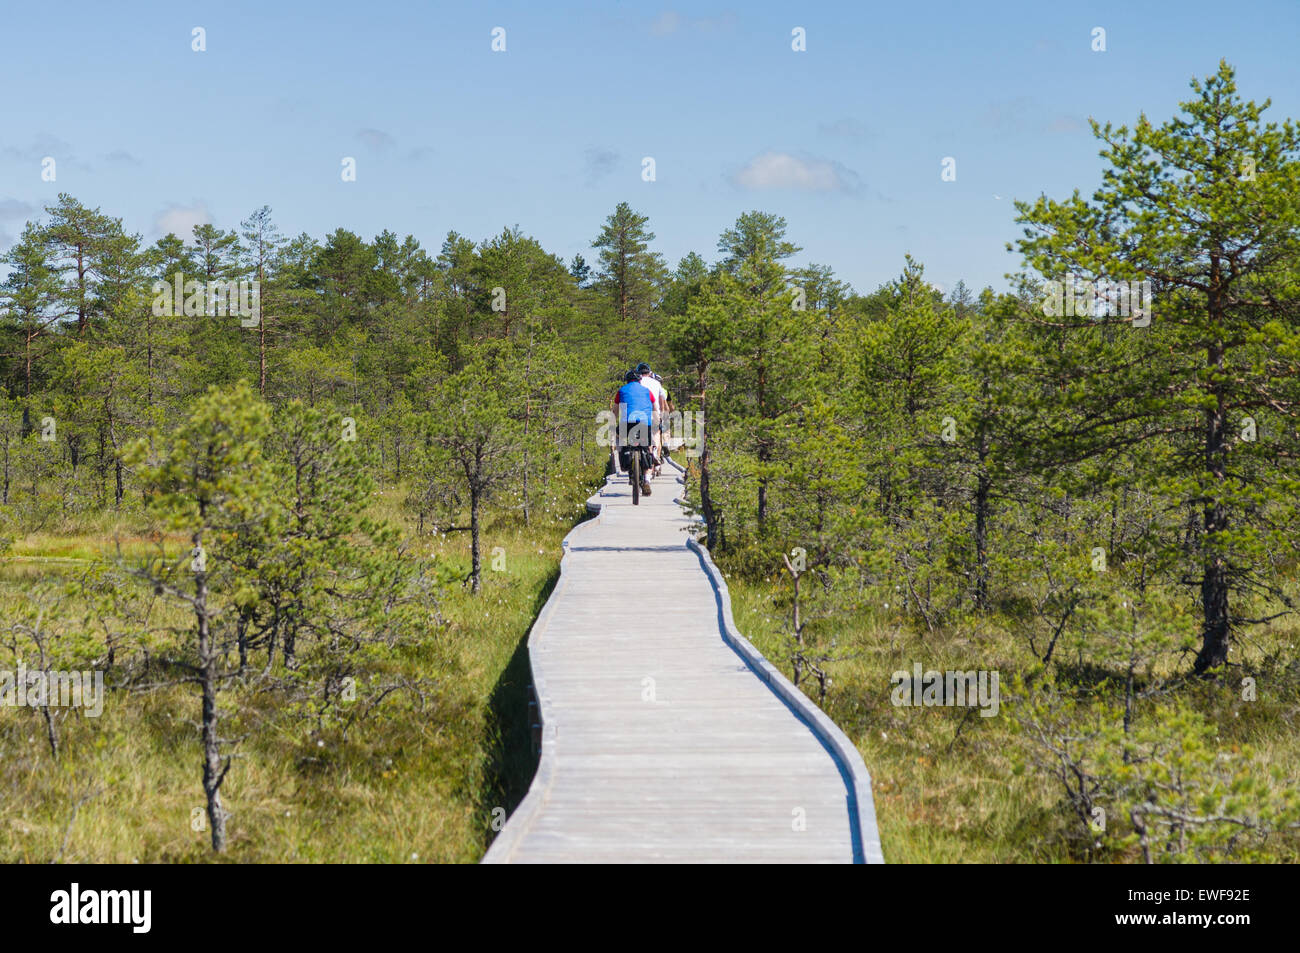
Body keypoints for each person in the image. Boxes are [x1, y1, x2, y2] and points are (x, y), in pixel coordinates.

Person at [612, 369, 655, 496]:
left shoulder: (621, 391)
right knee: (647, 447)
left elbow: (615, 411)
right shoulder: (647, 391)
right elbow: (654, 406)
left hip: (627, 423)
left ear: (627, 380)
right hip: (644, 422)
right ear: (639, 380)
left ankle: (626, 463)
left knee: (621, 440)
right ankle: (647, 480)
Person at [635, 362, 672, 476]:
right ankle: (655, 451)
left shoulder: (637, 383)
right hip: (654, 412)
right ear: (649, 373)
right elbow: (662, 402)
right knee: (656, 433)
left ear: (638, 373)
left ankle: (637, 456)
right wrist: (662, 414)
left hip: (638, 414)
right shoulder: (657, 384)